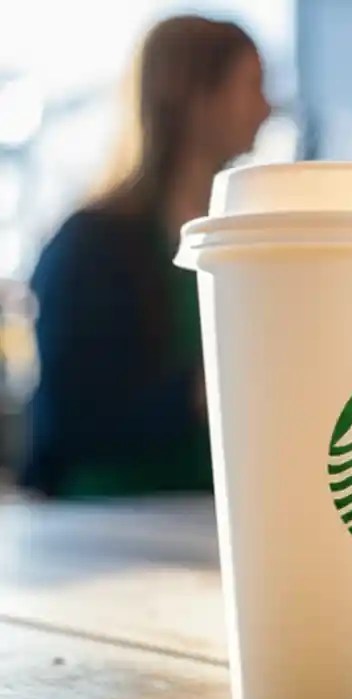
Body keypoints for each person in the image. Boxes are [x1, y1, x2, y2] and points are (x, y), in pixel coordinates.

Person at [22, 16, 270, 497]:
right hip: (107, 522)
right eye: (253, 85)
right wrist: (205, 392)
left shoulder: (243, 237)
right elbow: (72, 417)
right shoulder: (89, 244)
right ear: (196, 96)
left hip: (209, 511)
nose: (267, 107)